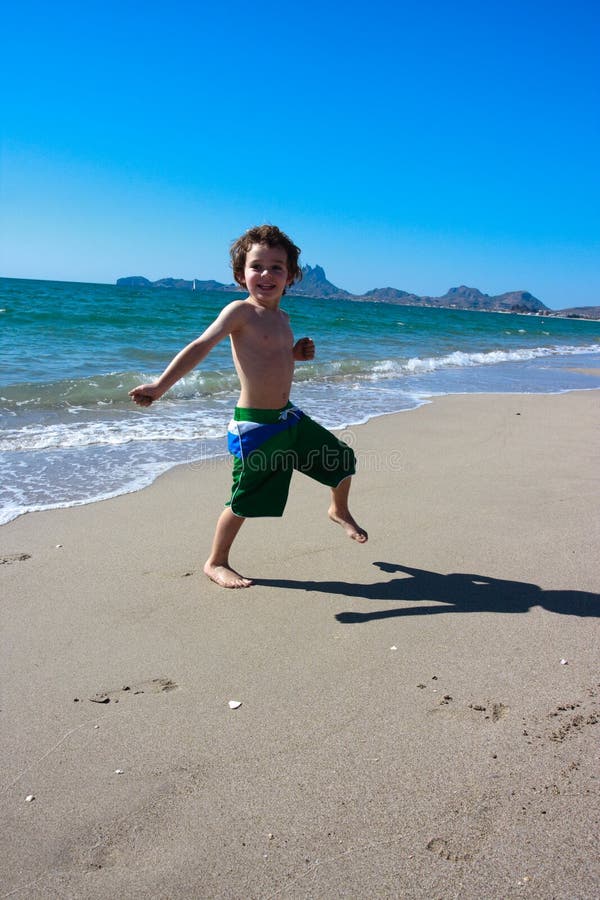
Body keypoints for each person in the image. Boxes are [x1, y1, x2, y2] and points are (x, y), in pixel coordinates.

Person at [129, 224, 367, 588]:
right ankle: (216, 562)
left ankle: (339, 509)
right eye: (257, 266)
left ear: (290, 276)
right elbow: (200, 346)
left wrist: (295, 354)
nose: (266, 274)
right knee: (244, 499)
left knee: (341, 459)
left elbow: (269, 359)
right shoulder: (239, 311)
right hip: (256, 427)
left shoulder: (283, 319)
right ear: (241, 274)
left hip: (289, 418)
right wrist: (160, 385)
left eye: (276, 267)